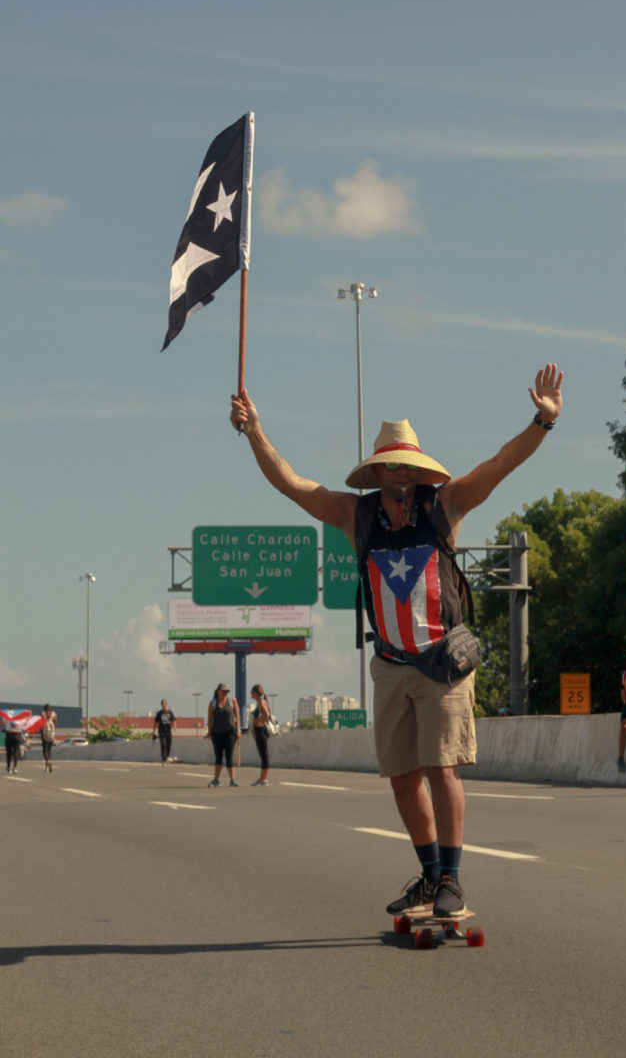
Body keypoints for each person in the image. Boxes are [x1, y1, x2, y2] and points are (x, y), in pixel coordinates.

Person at [230, 362, 563, 918]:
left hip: (442, 662)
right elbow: (290, 482)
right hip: (389, 665)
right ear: (378, 471)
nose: (401, 475)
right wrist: (254, 431)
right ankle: (431, 877)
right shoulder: (355, 514)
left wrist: (542, 422)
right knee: (403, 779)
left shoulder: (445, 505)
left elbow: (501, 464)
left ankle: (453, 880)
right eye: (392, 468)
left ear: (418, 469)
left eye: (408, 466)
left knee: (442, 770)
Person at [206, 682, 241, 787]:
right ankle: (216, 779)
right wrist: (210, 732)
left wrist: (238, 730)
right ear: (218, 691)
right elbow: (210, 719)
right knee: (218, 756)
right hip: (217, 733)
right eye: (224, 691)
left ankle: (232, 779)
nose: (225, 693)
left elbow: (238, 716)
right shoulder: (213, 703)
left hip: (230, 732)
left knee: (229, 755)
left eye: (227, 691)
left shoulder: (232, 701)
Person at [250, 684, 272, 786]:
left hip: (261, 731)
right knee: (263, 754)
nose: (250, 693)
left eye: (252, 691)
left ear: (255, 693)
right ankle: (262, 778)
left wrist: (260, 722)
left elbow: (267, 715)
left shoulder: (261, 702)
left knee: (264, 754)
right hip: (260, 731)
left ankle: (264, 779)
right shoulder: (261, 702)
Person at [152, 699, 177, 765]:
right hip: (161, 731)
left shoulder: (169, 712)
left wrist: (174, 726)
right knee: (163, 744)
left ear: (166, 704)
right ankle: (164, 759)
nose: (164, 704)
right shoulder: (159, 713)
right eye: (162, 703)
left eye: (165, 703)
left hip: (168, 730)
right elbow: (156, 722)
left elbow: (173, 720)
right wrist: (154, 731)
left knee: (169, 744)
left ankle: (166, 757)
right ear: (161, 704)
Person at [41, 704, 57, 773]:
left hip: (45, 735)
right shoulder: (55, 715)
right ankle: (47, 767)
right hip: (52, 735)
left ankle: (48, 761)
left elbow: (40, 723)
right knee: (49, 751)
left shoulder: (42, 714)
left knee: (45, 751)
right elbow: (55, 724)